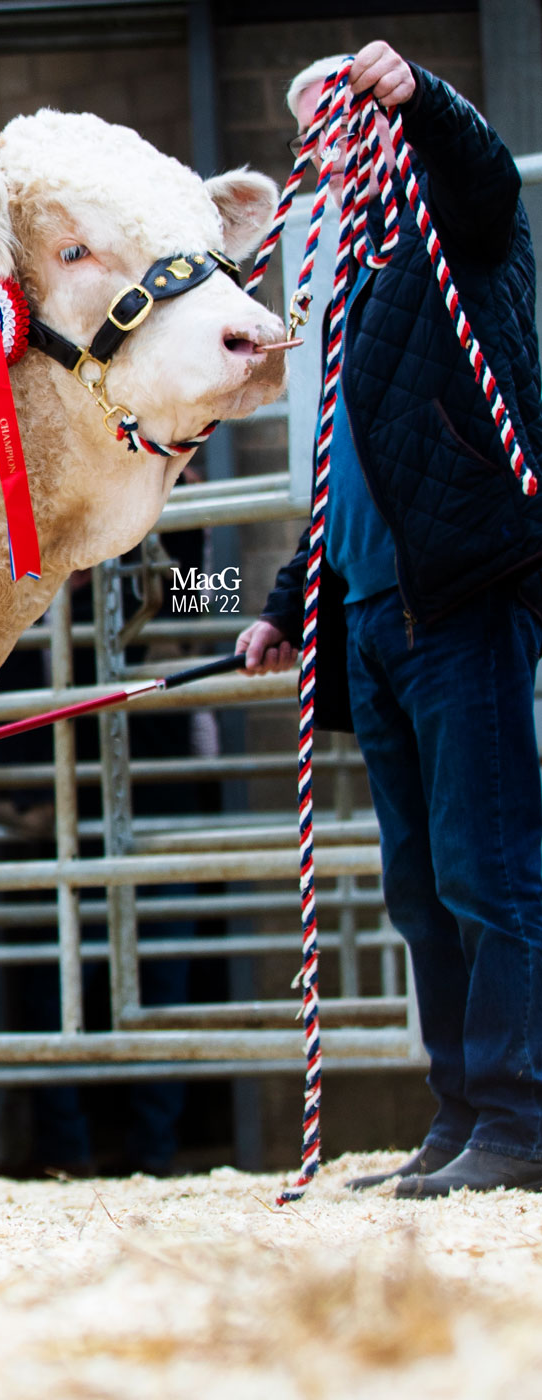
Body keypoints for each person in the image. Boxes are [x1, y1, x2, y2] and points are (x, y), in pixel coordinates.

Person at [236, 40, 542, 1197]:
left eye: (337, 121)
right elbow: (353, 473)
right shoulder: (351, 282)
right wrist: (281, 606)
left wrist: (426, 99)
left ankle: (519, 1114)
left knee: (487, 868)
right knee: (419, 884)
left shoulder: (449, 237)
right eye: (307, 133)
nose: (319, 150)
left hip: (457, 600)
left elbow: (484, 177)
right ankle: (462, 1113)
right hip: (373, 615)